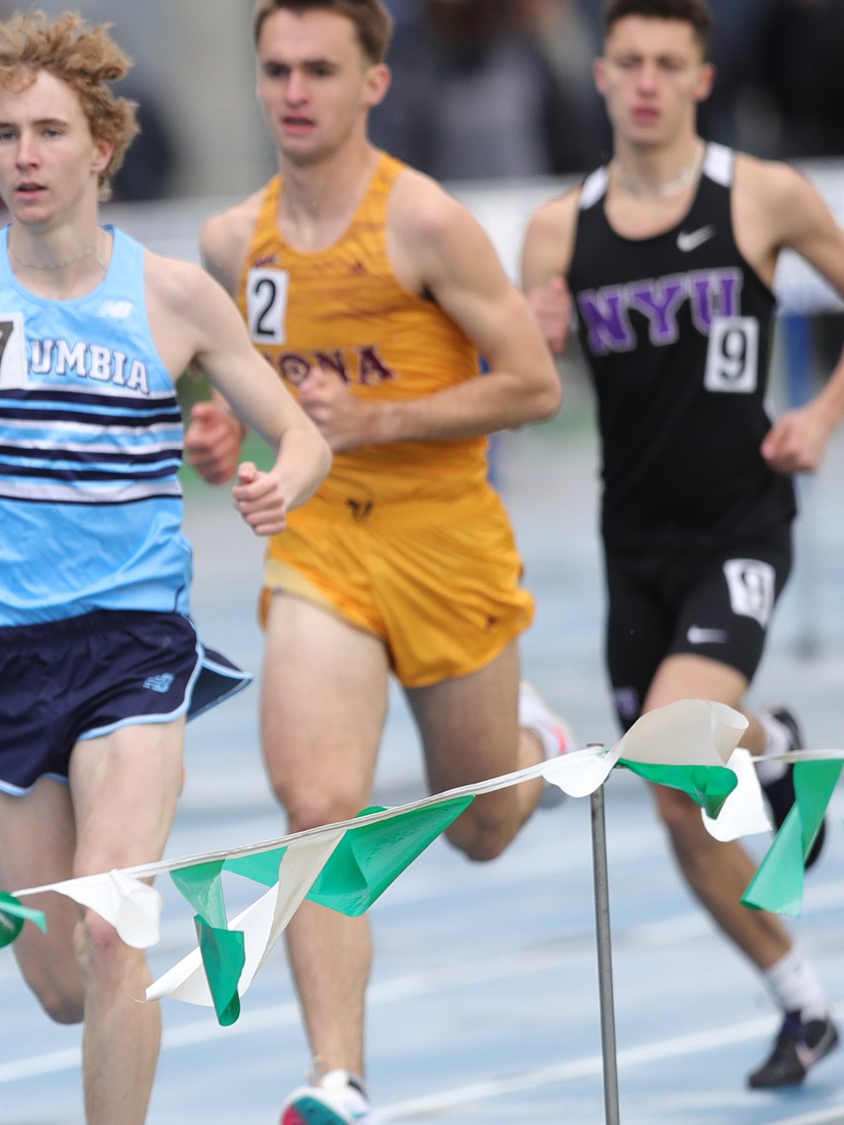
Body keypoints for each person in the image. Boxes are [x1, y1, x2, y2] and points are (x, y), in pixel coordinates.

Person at [0, 14, 330, 1123]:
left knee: (114, 927)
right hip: (0, 655)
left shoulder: (172, 297)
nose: (24, 156)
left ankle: (143, 786)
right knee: (63, 985)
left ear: (100, 147)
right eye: (4, 133)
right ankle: (128, 831)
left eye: (49, 131)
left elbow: (300, 435)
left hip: (132, 648)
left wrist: (275, 484)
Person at [187, 2, 576, 1121]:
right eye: (275, 69)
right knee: (316, 801)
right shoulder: (230, 240)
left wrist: (375, 419)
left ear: (372, 83)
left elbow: (533, 387)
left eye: (319, 68)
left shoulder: (423, 221)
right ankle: (335, 1080)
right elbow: (250, 395)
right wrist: (221, 432)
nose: (293, 90)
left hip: (443, 542)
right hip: (318, 547)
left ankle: (526, 746)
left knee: (480, 825)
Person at [521, 0, 844, 1089]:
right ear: (601, 76)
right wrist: (535, 348)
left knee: (665, 745)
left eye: (669, 62)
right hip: (632, 545)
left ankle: (767, 755)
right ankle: (799, 999)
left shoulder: (760, 195)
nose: (647, 81)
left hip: (738, 524)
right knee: (670, 795)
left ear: (701, 78)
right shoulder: (558, 228)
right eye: (628, 62)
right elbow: (523, 377)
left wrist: (819, 414)